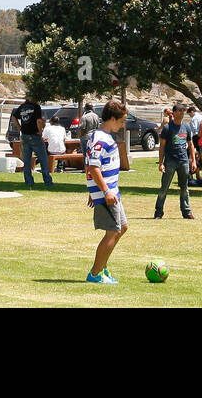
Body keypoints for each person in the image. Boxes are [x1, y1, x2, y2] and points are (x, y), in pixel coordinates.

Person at [86, 99, 129, 283]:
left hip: (112, 191)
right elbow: (93, 167)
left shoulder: (106, 137)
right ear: (112, 118)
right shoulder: (99, 138)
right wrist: (103, 191)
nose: (123, 125)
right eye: (121, 121)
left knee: (122, 227)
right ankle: (95, 273)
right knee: (112, 232)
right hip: (108, 194)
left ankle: (102, 268)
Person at [154, 101, 196, 219]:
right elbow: (162, 146)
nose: (182, 113)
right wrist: (161, 163)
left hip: (184, 161)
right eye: (180, 111)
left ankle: (187, 212)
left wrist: (193, 160)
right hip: (170, 161)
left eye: (183, 111)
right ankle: (158, 211)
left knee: (184, 188)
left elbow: (191, 145)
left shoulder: (186, 127)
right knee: (164, 187)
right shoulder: (168, 128)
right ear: (174, 113)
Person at [11, 95, 52, 188]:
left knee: (27, 160)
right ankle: (47, 181)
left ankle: (29, 181)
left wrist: (19, 128)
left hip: (25, 136)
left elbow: (13, 117)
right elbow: (39, 121)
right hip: (34, 135)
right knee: (43, 159)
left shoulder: (22, 107)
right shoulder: (36, 107)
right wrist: (40, 132)